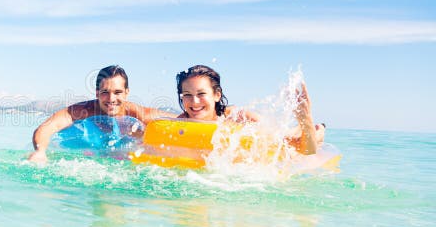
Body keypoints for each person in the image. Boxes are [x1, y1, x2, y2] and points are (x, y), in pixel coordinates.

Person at [27, 65, 174, 163]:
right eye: (105, 93)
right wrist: (40, 151)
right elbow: (47, 127)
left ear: (127, 93)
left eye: (117, 92)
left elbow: (179, 120)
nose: (111, 99)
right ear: (97, 93)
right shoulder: (83, 110)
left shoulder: (138, 114)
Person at [175, 64, 324, 155]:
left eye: (201, 93)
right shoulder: (180, 124)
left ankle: (318, 129)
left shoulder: (237, 118)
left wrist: (305, 119)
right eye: (187, 95)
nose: (194, 102)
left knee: (291, 136)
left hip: (273, 131)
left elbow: (307, 151)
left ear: (217, 95)